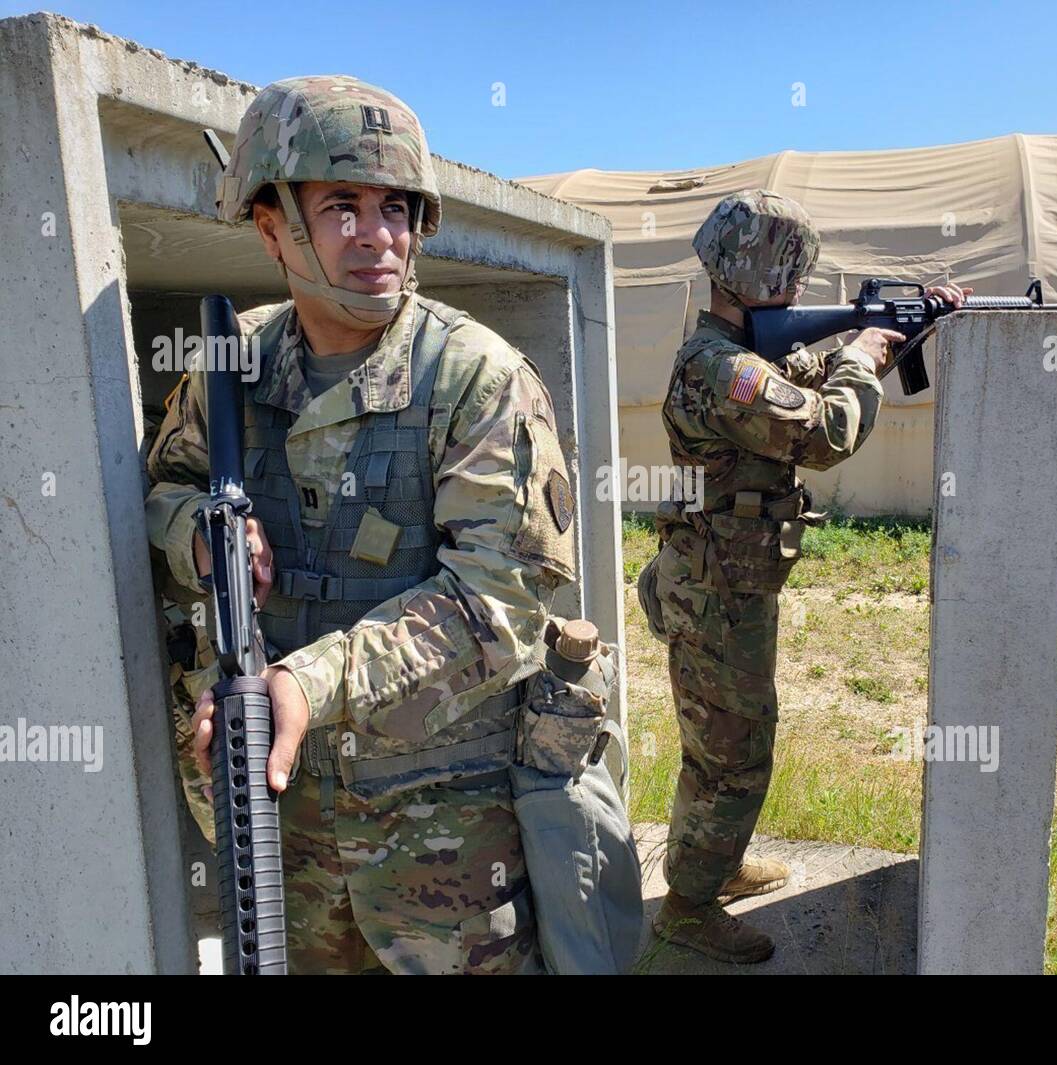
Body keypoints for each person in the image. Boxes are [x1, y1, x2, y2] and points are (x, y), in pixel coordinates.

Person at [146, 75, 578, 973]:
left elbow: (502, 601)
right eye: (341, 205)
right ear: (273, 226)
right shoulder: (231, 366)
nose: (378, 234)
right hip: (281, 824)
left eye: (396, 207)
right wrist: (196, 528)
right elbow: (156, 492)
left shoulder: (477, 378)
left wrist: (308, 681)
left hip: (439, 835)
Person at [644, 189, 969, 962]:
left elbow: (805, 372)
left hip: (726, 580)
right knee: (733, 749)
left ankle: (714, 866)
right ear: (754, 273)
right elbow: (823, 431)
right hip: (715, 590)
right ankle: (688, 905)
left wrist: (897, 327)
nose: (797, 292)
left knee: (726, 740)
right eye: (789, 276)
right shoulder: (721, 368)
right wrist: (862, 357)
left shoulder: (745, 352)